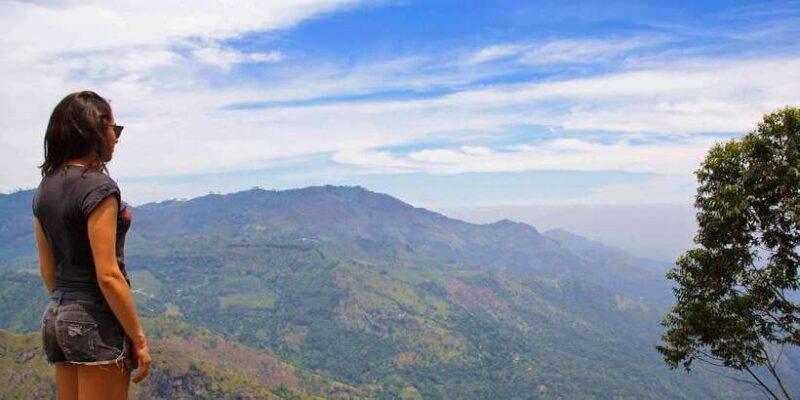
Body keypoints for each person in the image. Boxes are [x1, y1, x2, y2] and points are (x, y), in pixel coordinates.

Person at [32, 91, 151, 399]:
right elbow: (108, 274)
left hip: (57, 317)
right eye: (115, 129)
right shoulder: (99, 187)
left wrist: (69, 310)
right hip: (95, 319)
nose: (117, 139)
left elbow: (48, 269)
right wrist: (138, 339)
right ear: (96, 131)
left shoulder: (45, 189)